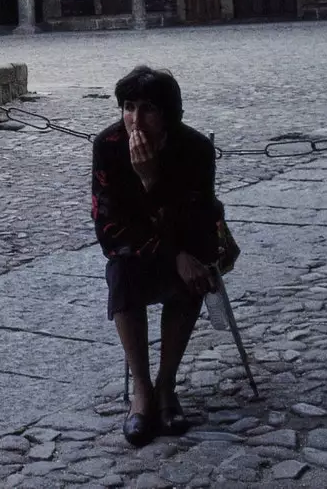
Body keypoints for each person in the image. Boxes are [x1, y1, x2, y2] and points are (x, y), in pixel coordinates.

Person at [91, 65, 224, 446]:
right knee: (121, 274)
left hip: (185, 246)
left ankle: (167, 385)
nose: (135, 119)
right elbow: (109, 226)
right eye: (128, 106)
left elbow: (199, 218)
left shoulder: (194, 149)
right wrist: (170, 254)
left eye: (147, 108)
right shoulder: (109, 146)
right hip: (137, 251)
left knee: (193, 277)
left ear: (167, 114)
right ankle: (142, 391)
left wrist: (152, 181)